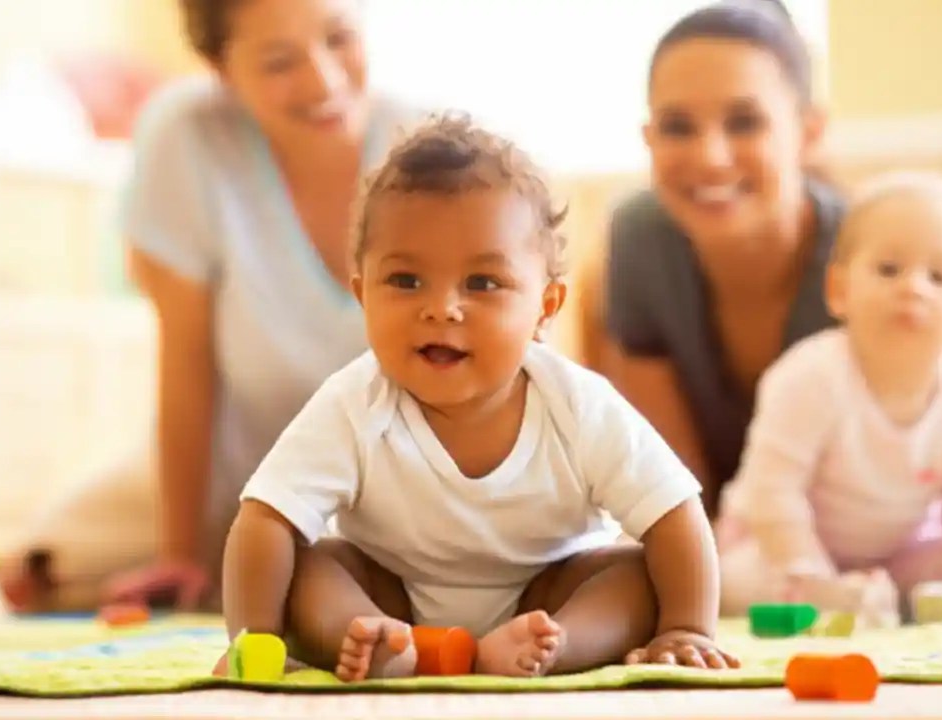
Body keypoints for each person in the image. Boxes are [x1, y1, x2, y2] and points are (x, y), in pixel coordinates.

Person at [219, 115, 739, 681]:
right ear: (363, 293)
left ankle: (555, 649)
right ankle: (384, 644)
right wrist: (255, 641)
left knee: (633, 574)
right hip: (389, 596)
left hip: (548, 594)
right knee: (315, 565)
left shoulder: (577, 404)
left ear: (545, 306)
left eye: (483, 284)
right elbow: (265, 519)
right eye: (406, 281)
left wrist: (687, 627)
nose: (442, 308)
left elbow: (674, 514)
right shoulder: (352, 403)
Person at [0, 0, 421, 613]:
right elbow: (186, 364)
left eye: (339, 38)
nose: (324, 81)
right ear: (221, 69)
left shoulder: (431, 151)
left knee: (340, 592)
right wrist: (179, 552)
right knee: (34, 573)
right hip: (239, 473)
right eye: (279, 61)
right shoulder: (187, 134)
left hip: (390, 491)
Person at [600, 0, 942, 518]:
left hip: (882, 531)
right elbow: (674, 489)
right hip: (742, 540)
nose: (710, 156)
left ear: (809, 132)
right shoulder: (638, 238)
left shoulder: (879, 251)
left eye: (744, 122)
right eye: (677, 127)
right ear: (648, 138)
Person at [715, 170, 942, 617]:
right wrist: (813, 573)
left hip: (894, 558)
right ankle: (831, 598)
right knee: (732, 581)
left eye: (939, 276)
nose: (912, 287)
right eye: (888, 269)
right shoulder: (808, 377)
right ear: (839, 290)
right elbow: (774, 494)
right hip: (770, 542)